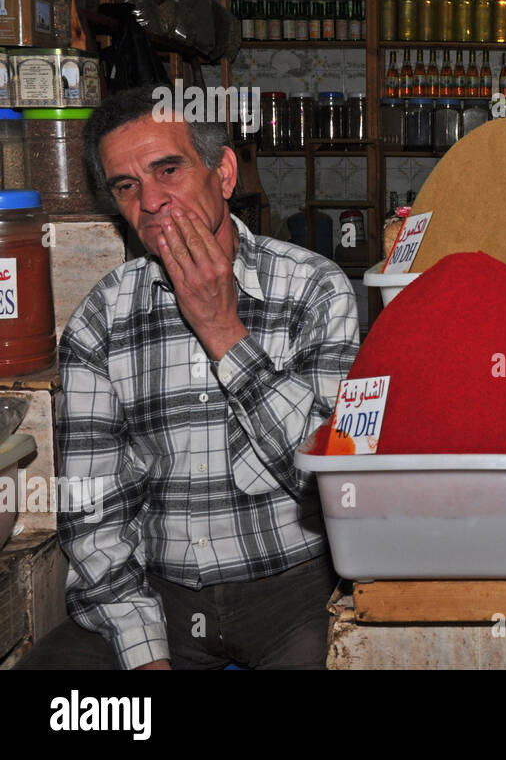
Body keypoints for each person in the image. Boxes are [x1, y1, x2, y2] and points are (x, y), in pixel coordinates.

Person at [18, 87, 359, 670]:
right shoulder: (101, 317)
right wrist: (143, 650)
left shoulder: (314, 288)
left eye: (167, 169)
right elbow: (93, 513)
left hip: (296, 590)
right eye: (126, 185)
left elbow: (333, 478)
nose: (150, 201)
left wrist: (223, 329)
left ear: (222, 173)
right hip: (159, 594)